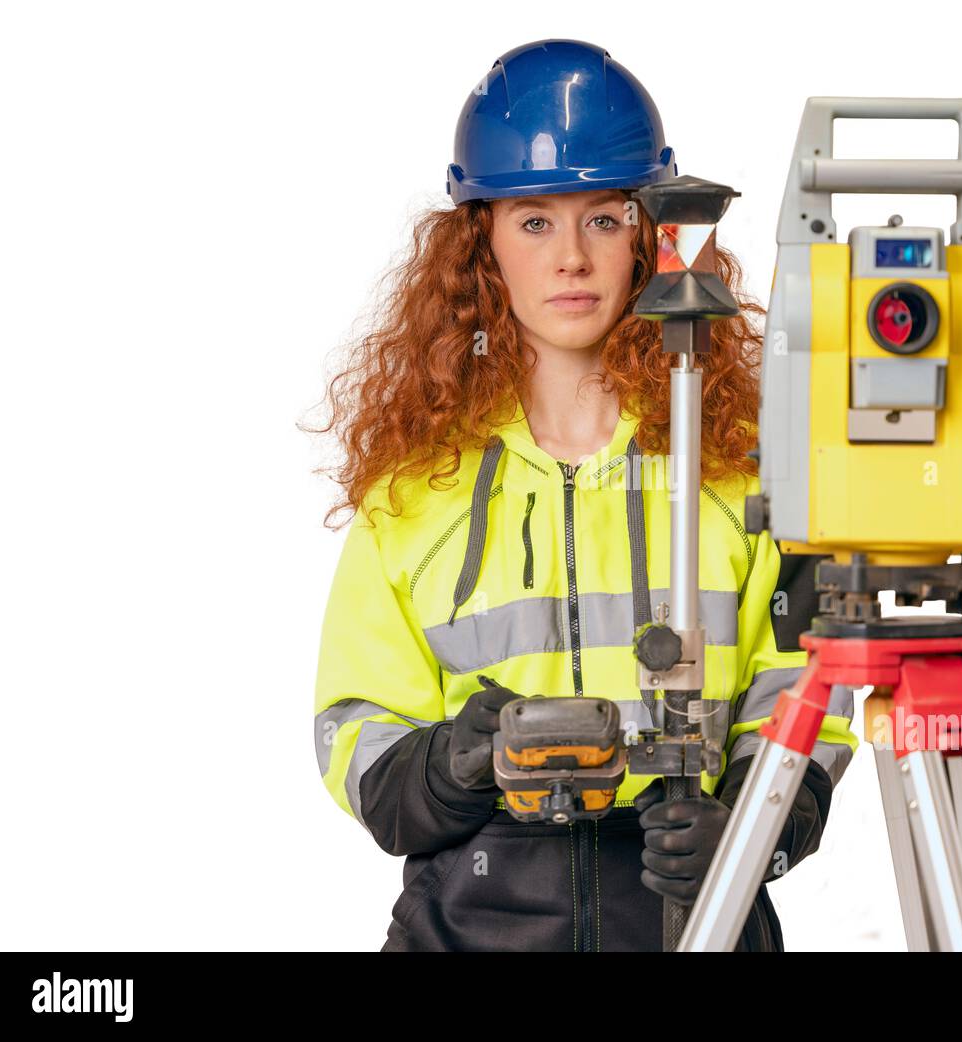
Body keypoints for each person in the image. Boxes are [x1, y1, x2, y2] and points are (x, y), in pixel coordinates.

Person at [309, 38, 856, 952]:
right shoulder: (413, 495)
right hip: (471, 920)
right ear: (481, 246)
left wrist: (754, 831)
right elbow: (352, 724)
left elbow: (807, 687)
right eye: (533, 221)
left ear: (653, 235)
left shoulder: (740, 474)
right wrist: (447, 763)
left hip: (693, 913)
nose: (571, 257)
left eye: (603, 218)